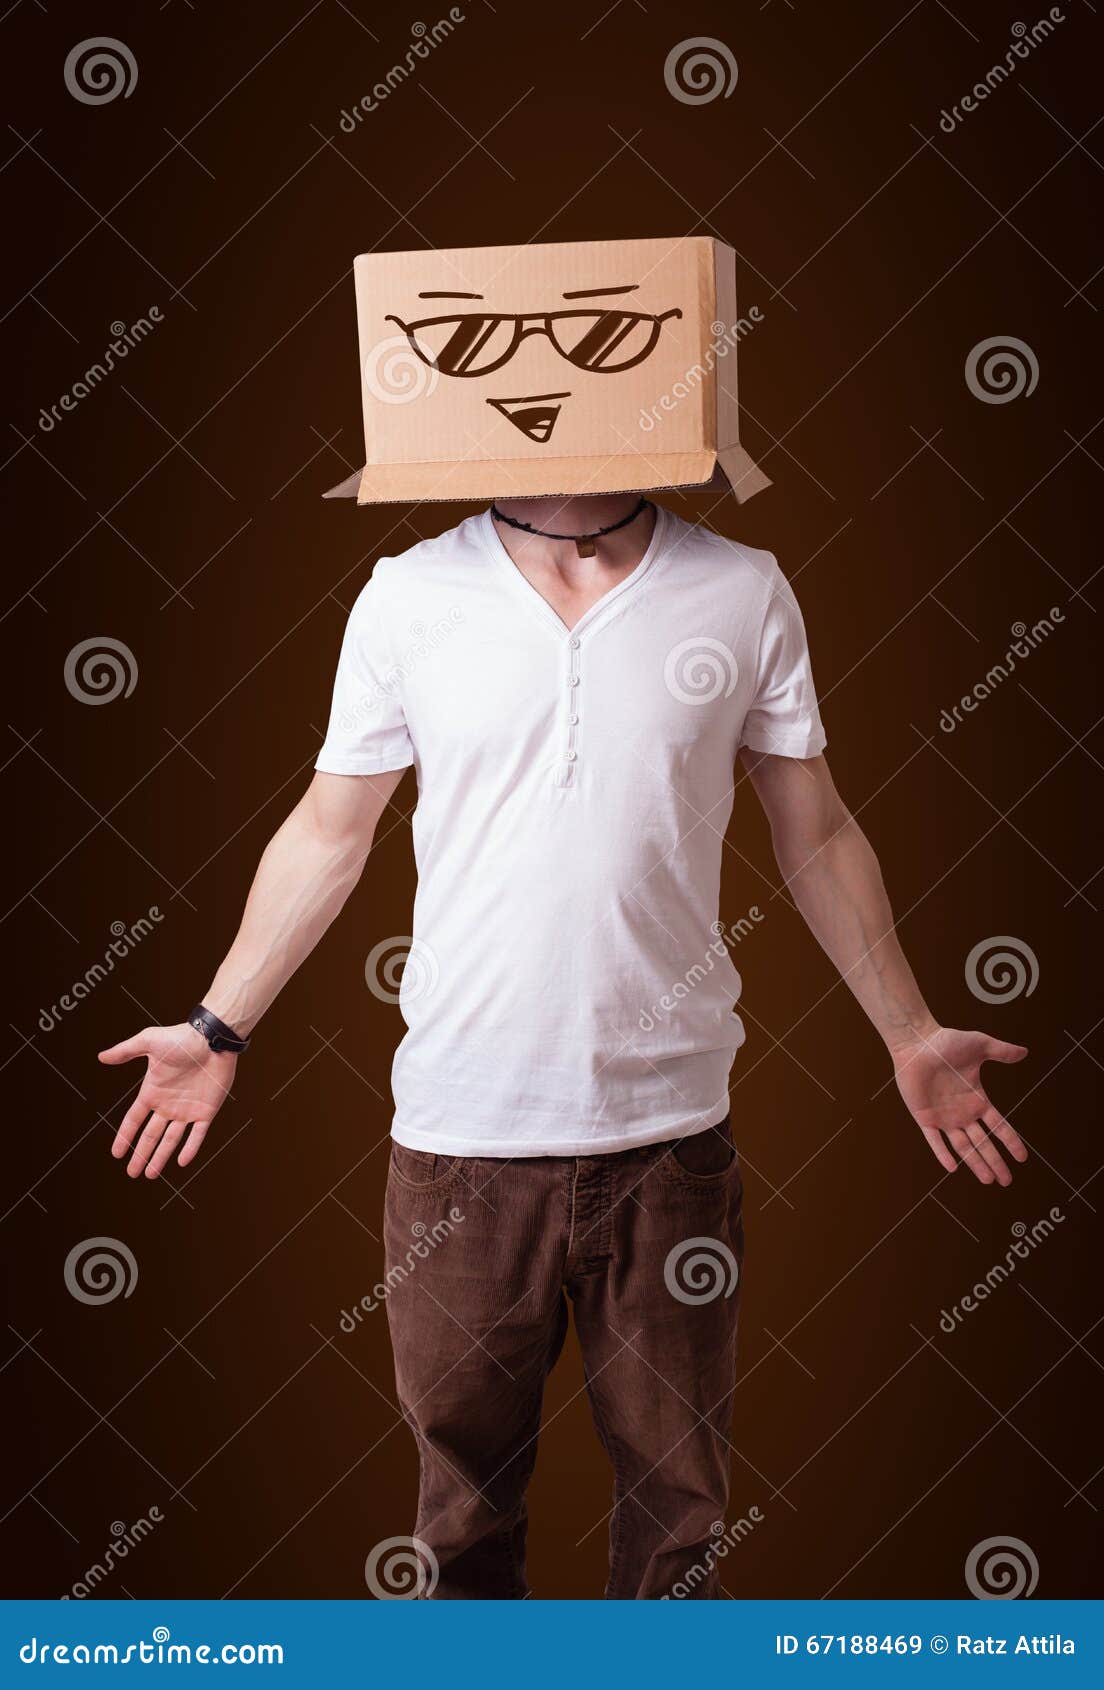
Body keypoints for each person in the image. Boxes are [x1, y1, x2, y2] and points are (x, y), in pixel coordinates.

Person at [99, 491, 1029, 1599]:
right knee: (457, 1522)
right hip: (460, 1151)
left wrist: (910, 1028)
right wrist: (218, 1024)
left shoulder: (740, 586)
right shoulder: (410, 592)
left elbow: (814, 827)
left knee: (681, 1520)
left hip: (670, 1149)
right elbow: (331, 829)